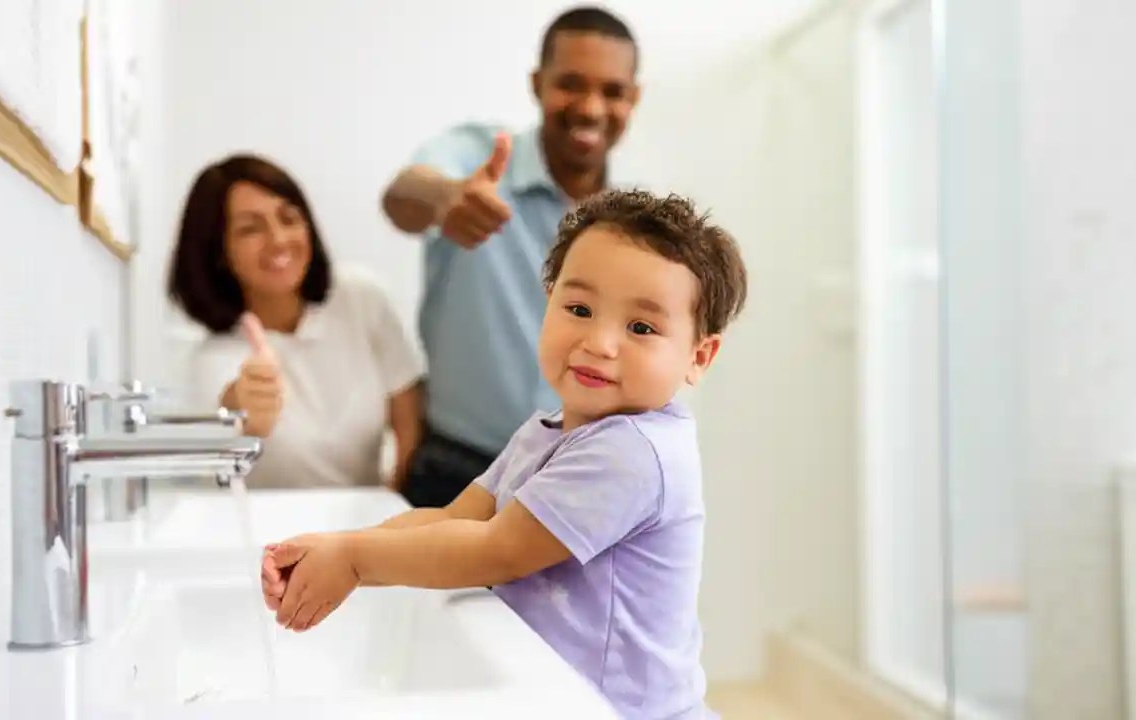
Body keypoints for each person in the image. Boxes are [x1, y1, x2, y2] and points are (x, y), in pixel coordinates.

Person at [260, 189, 749, 719]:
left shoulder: (634, 451)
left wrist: (355, 561)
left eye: (641, 328)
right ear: (549, 300)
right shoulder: (547, 432)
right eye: (579, 309)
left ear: (698, 357)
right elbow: (452, 521)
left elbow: (496, 550)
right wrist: (335, 550)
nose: (600, 342)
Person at [380, 6, 641, 507]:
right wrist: (445, 197)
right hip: (455, 473)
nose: (590, 108)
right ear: (537, 84)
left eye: (612, 91)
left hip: (579, 479)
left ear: (635, 98)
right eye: (571, 84)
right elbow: (402, 195)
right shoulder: (478, 157)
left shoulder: (636, 217)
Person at [169, 154, 425, 490]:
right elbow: (224, 419)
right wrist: (241, 412)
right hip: (276, 538)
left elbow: (410, 426)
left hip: (369, 529)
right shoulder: (214, 359)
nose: (278, 239)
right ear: (218, 252)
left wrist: (397, 519)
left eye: (288, 218)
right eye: (250, 229)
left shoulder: (362, 299)